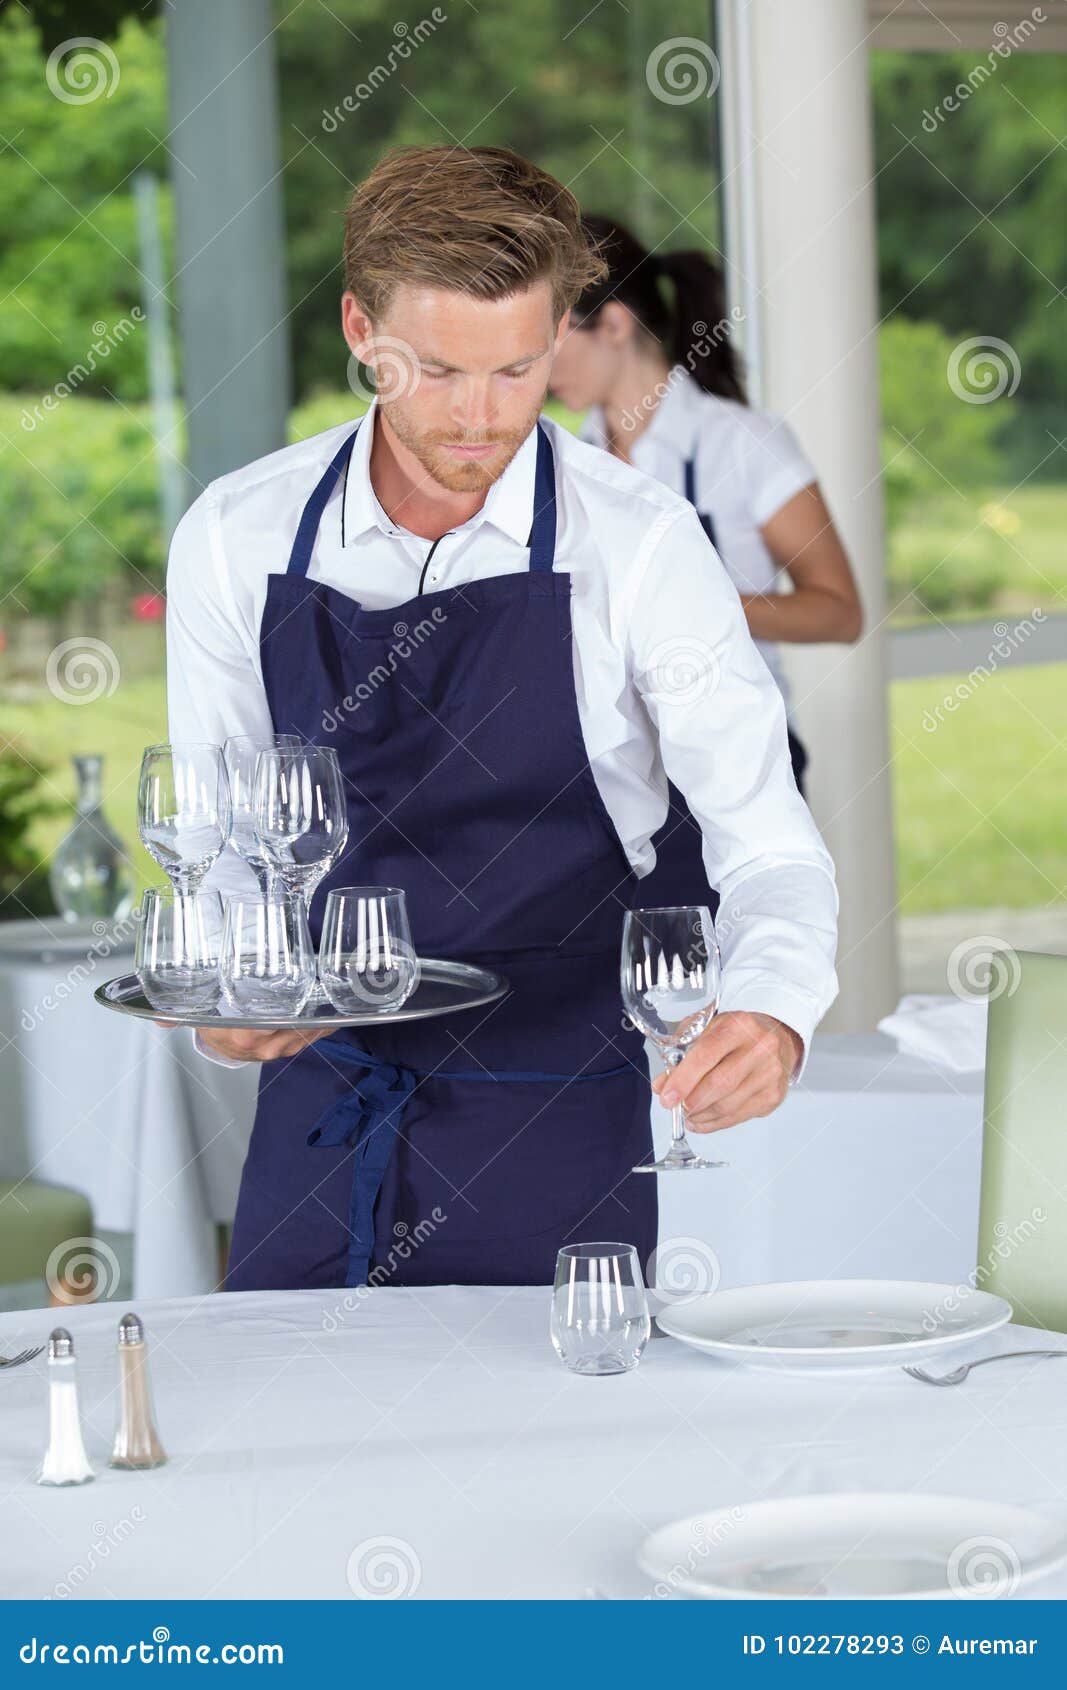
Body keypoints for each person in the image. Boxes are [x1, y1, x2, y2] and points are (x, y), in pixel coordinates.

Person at [165, 146, 839, 1293]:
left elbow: (767, 842)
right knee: (275, 1401)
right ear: (359, 328)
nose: (481, 417)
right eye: (435, 371)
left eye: (518, 369)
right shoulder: (236, 536)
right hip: (326, 1109)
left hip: (557, 1116)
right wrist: (232, 984)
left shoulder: (640, 545)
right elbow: (225, 839)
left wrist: (774, 1010)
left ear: (560, 333)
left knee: (552, 1411)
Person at [548, 215, 862, 910]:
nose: (536, 364)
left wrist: (693, 608)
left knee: (731, 965)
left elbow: (839, 611)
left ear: (614, 324)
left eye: (553, 334)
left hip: (730, 758)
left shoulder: (742, 444)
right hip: (610, 772)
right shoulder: (571, 465)